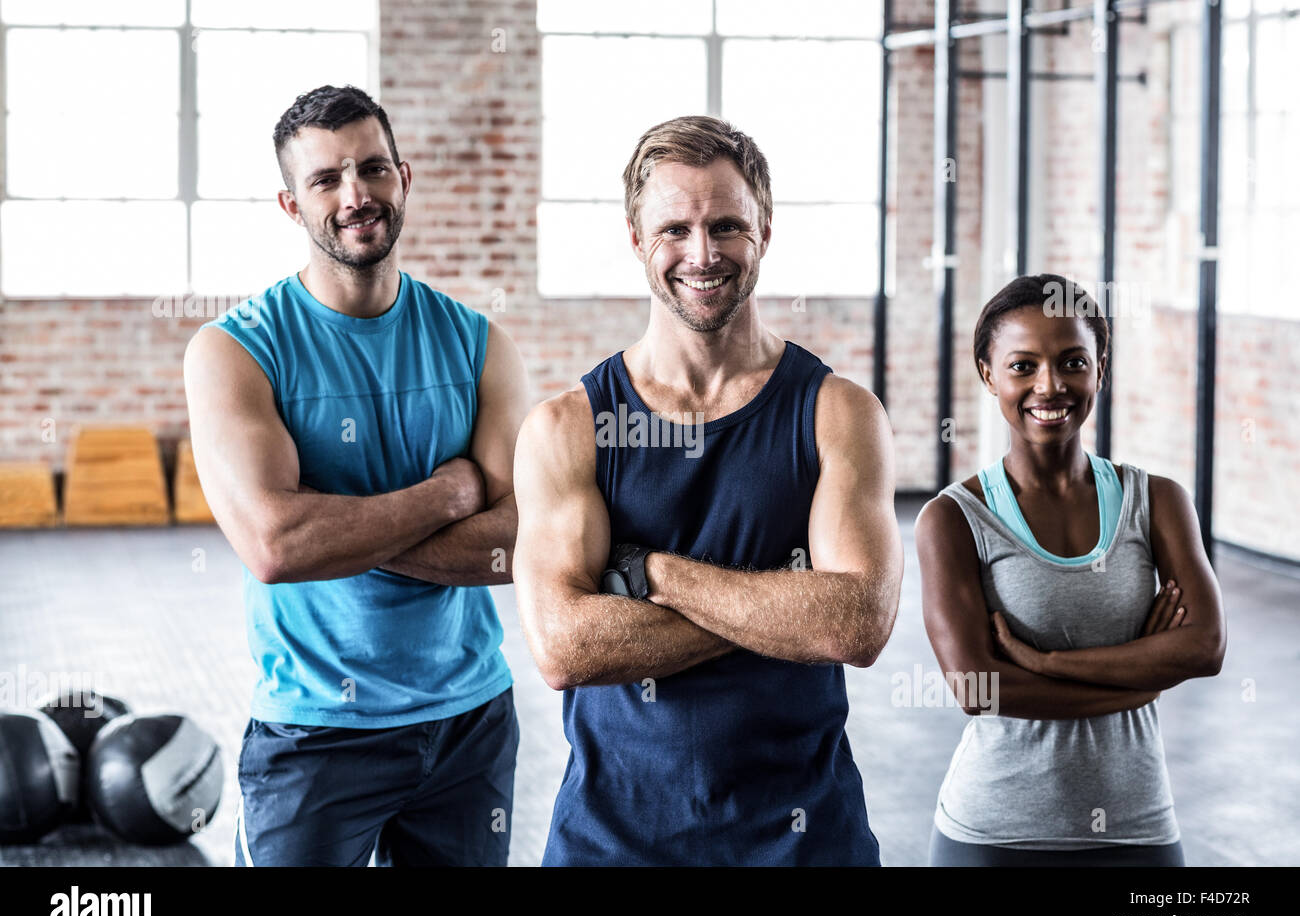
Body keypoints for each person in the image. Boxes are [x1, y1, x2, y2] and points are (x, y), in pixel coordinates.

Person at [512, 115, 904, 865]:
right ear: (635, 239)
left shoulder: (838, 414)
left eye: (727, 225)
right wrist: (788, 602)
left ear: (764, 231)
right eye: (675, 229)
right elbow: (565, 648)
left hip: (803, 840)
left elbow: (854, 626)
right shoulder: (568, 427)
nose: (703, 253)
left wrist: (654, 574)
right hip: (613, 841)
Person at [183, 85, 529, 866]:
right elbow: (275, 548)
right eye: (326, 180)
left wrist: (326, 526)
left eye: (374, 169)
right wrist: (450, 493)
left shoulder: (480, 345)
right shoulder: (235, 351)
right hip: (314, 732)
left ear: (404, 177)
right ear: (289, 203)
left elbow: (518, 545)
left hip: (467, 723)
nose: (356, 195)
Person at [914, 274, 1226, 866]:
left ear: (1099, 370)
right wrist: (1147, 675)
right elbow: (978, 688)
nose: (1049, 386)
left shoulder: (1157, 501)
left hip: (1137, 828)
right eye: (1022, 366)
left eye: (1072, 362)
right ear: (989, 375)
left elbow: (1206, 648)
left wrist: (1045, 664)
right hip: (992, 835)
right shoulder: (953, 519)